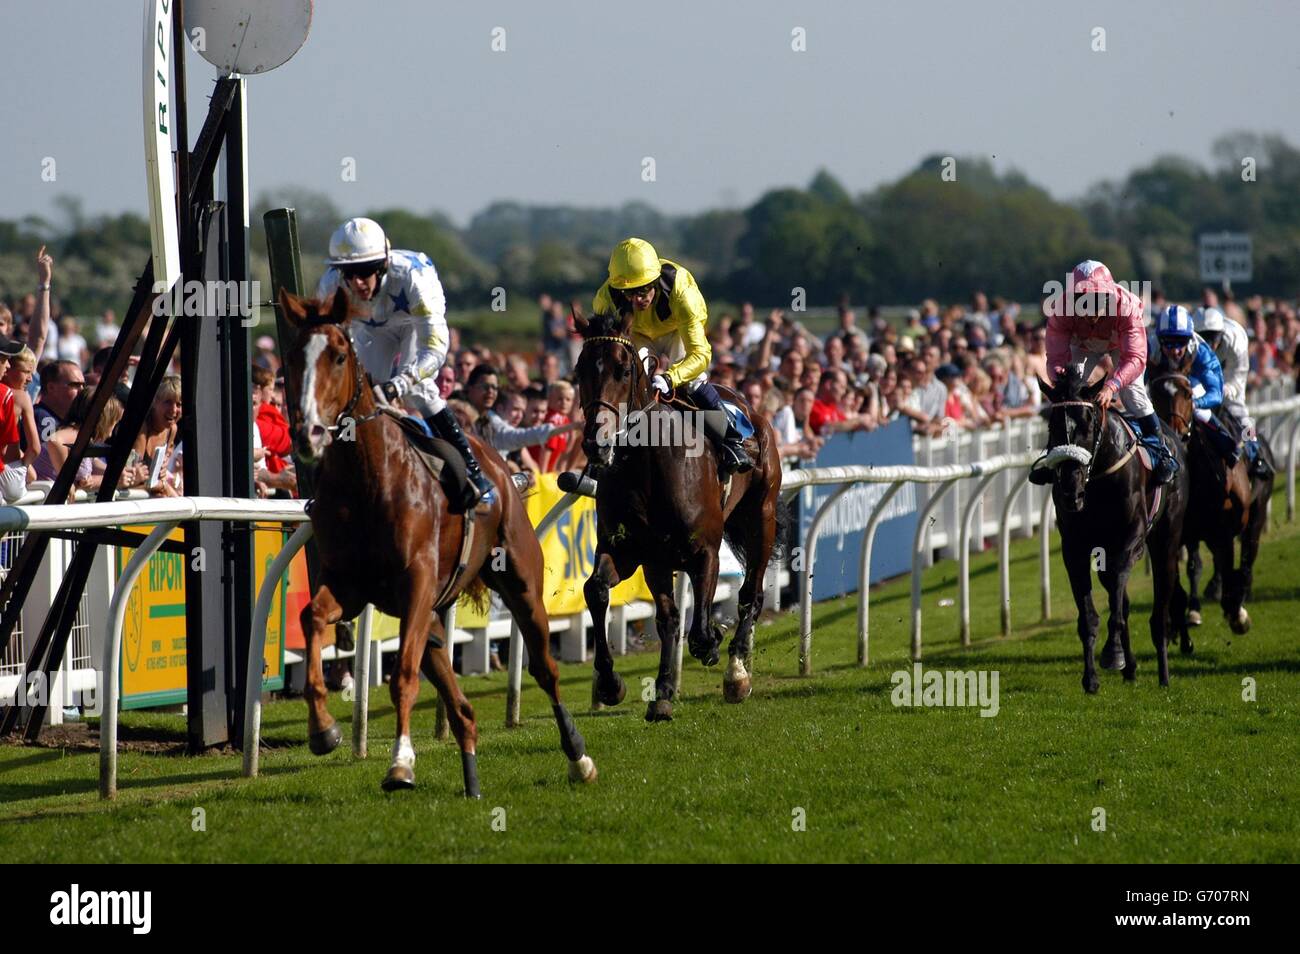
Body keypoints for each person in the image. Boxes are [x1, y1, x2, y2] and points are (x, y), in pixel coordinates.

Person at [316, 216, 494, 506]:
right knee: (359, 391)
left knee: (419, 389)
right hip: (371, 328)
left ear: (382, 265)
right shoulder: (331, 286)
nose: (357, 282)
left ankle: (472, 471)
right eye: (348, 273)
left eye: (364, 271)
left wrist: (399, 384)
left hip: (412, 322)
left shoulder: (413, 278)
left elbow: (435, 350)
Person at [591, 237, 751, 474]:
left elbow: (700, 353)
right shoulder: (604, 300)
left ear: (655, 281)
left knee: (692, 381)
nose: (636, 300)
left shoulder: (682, 292)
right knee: (628, 380)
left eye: (642, 290)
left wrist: (670, 378)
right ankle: (605, 447)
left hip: (677, 331)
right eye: (628, 293)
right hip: (638, 334)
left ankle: (731, 440)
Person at [1037, 260, 1177, 485]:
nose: (1089, 307)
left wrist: (1112, 386)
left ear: (1109, 296)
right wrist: (1064, 385)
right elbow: (1055, 359)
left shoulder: (1127, 307)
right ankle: (1052, 452)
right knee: (1070, 395)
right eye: (1082, 300)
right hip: (1081, 346)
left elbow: (1135, 358)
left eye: (1096, 299)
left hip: (1119, 348)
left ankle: (1161, 452)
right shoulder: (1060, 310)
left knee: (1133, 394)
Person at [1155, 305, 1236, 463]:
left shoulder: (1202, 352)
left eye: (1180, 342)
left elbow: (1216, 393)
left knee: (1201, 414)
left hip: (1192, 386)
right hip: (1159, 389)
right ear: (1159, 339)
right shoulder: (1149, 346)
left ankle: (1230, 450)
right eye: (1168, 342)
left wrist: (1194, 403)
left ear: (1189, 338)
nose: (1175, 351)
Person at [1196, 306, 1270, 478]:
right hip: (1204, 375)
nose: (1209, 344)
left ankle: (1256, 453)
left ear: (1220, 335)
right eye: (1204, 338)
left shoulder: (1235, 340)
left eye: (1213, 338)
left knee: (1240, 412)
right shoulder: (1192, 341)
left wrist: (1224, 389)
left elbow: (1237, 379)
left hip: (1231, 373)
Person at [0, 333, 33, 501]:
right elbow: (35, 447)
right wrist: (24, 468)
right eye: (4, 360)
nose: (6, 366)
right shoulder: (7, 394)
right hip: (9, 473)